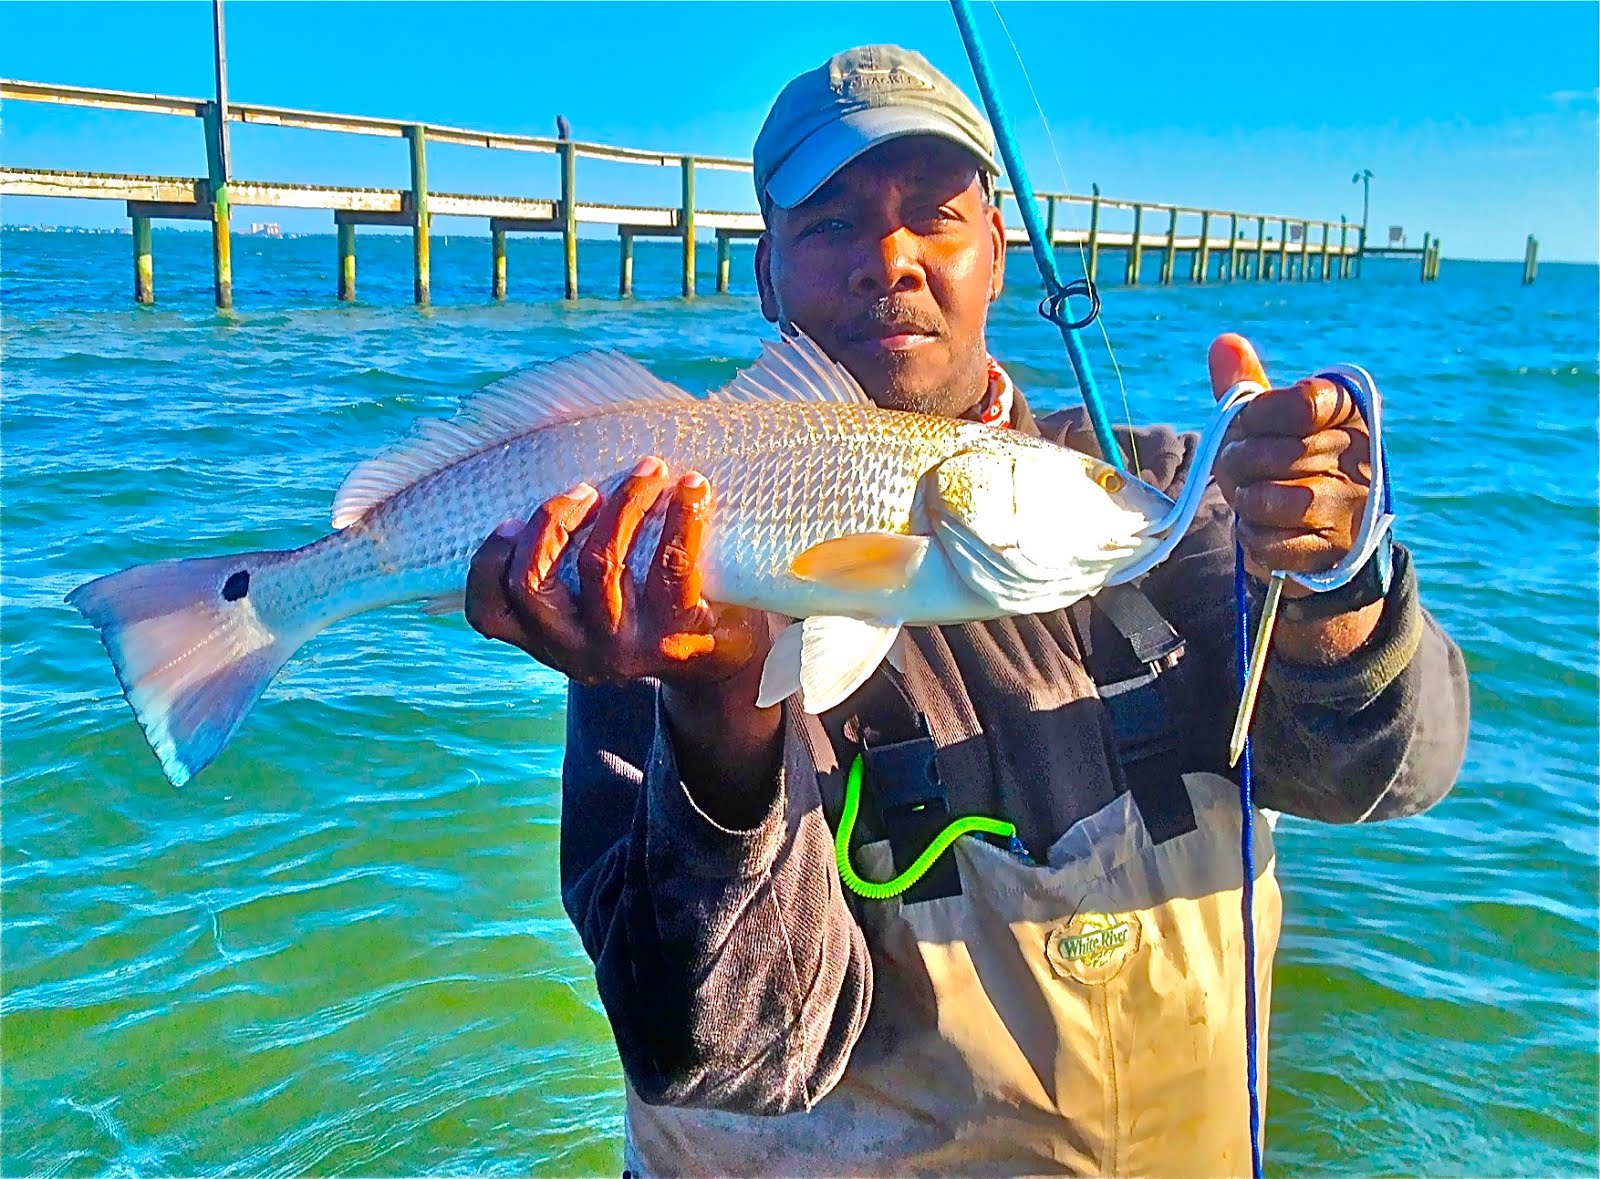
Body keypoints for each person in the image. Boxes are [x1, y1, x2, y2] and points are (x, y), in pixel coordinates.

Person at [465, 44, 1470, 1177]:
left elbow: (1382, 776)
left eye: (934, 217)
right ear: (768, 278)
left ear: (998, 251)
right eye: (830, 226)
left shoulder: (1162, 497)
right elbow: (723, 1055)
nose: (887, 259)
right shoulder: (673, 579)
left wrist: (1327, 583)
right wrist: (719, 712)